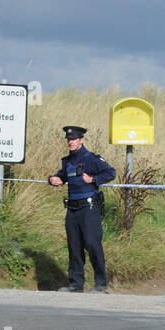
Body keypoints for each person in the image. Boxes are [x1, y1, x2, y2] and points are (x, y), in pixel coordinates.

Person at [47, 126, 116, 293]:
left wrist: (93, 179)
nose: (71, 142)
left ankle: (101, 283)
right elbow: (63, 176)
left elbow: (110, 172)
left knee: (92, 244)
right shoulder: (68, 161)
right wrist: (52, 180)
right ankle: (76, 284)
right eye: (69, 140)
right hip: (72, 208)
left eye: (74, 139)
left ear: (81, 140)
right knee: (74, 246)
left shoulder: (91, 158)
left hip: (89, 207)